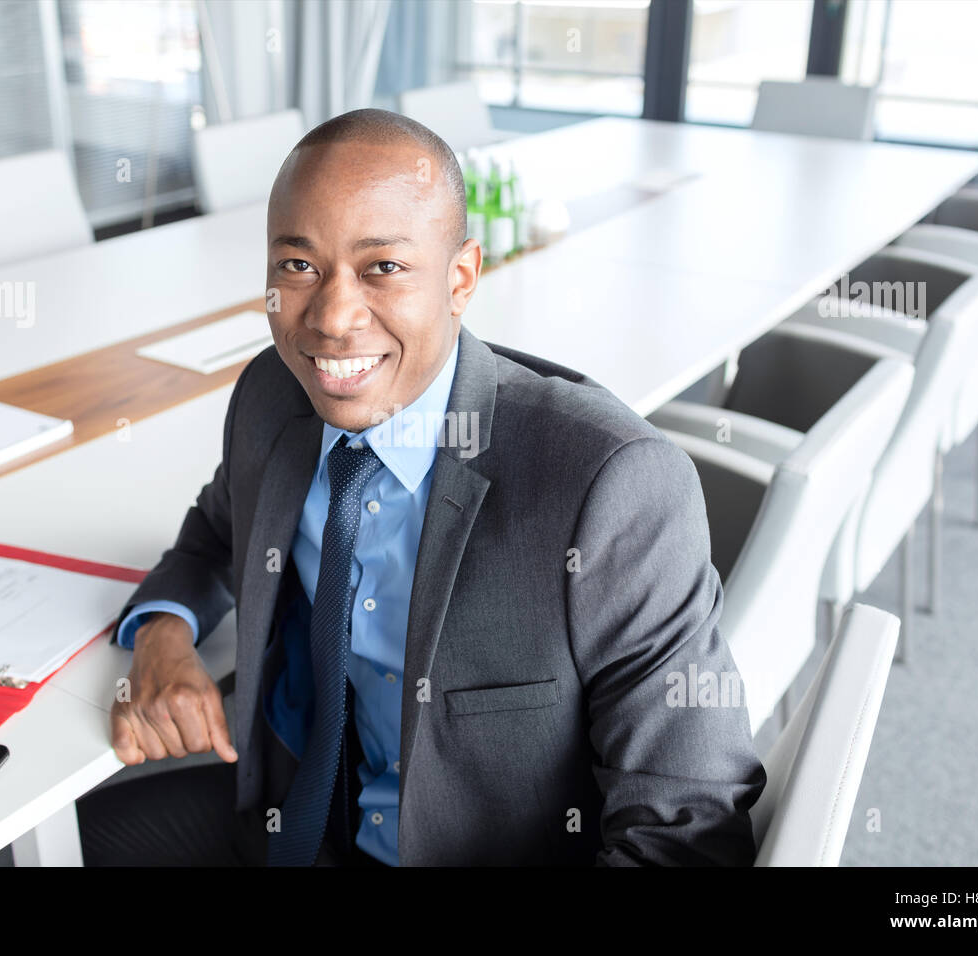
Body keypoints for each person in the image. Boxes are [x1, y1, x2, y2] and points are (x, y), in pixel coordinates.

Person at [76, 108, 766, 866]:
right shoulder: (273, 398)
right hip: (293, 819)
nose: (333, 318)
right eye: (298, 266)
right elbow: (216, 532)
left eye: (384, 267)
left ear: (461, 277)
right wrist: (164, 634)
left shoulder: (609, 487)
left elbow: (687, 828)